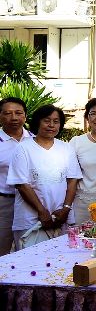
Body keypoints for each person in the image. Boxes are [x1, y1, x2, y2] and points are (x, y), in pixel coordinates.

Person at [7, 105, 81, 249]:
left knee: (60, 262)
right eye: (47, 121)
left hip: (60, 217)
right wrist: (42, 212)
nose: (51, 125)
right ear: (37, 122)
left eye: (56, 121)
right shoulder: (23, 148)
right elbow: (22, 184)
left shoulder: (66, 148)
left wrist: (65, 209)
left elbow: (72, 180)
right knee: (30, 263)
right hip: (31, 218)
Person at [0, 98, 32, 255]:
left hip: (32, 203)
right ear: (0, 116)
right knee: (2, 247)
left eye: (18, 113)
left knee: (29, 246)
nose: (13, 118)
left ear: (25, 116)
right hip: (4, 202)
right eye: (7, 113)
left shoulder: (35, 139)